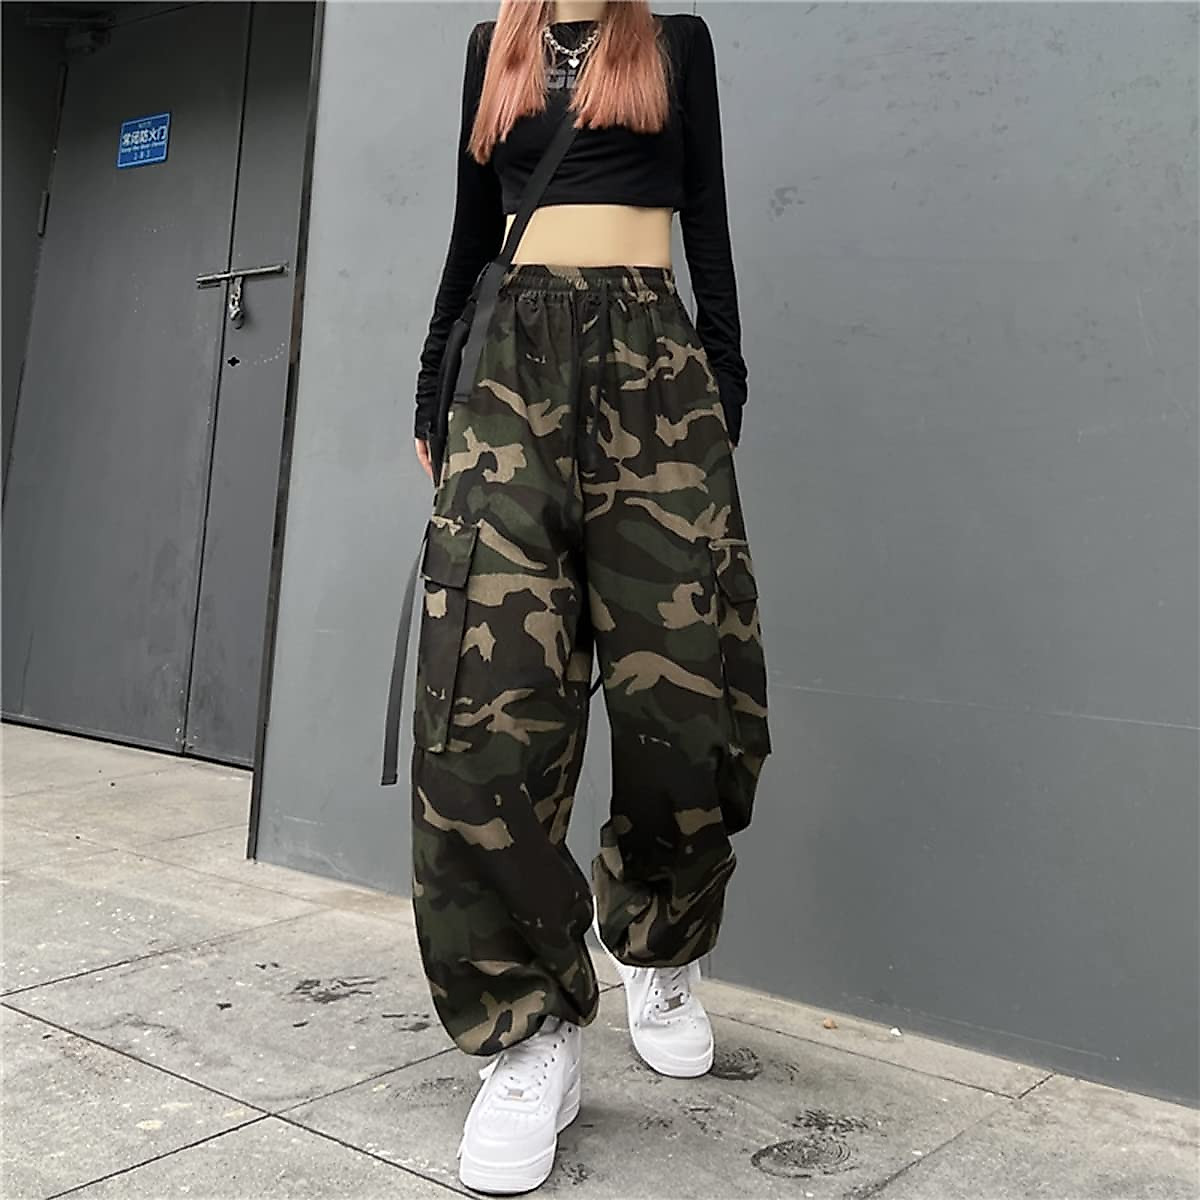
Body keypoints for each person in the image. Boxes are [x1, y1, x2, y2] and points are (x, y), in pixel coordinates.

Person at [410, 1, 770, 1191]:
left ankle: (659, 945)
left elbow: (706, 212)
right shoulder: (493, 47)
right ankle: (530, 1035)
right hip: (509, 372)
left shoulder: (673, 41)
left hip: (653, 366)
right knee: (484, 704)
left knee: (691, 694)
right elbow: (473, 232)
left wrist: (722, 374)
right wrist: (431, 389)